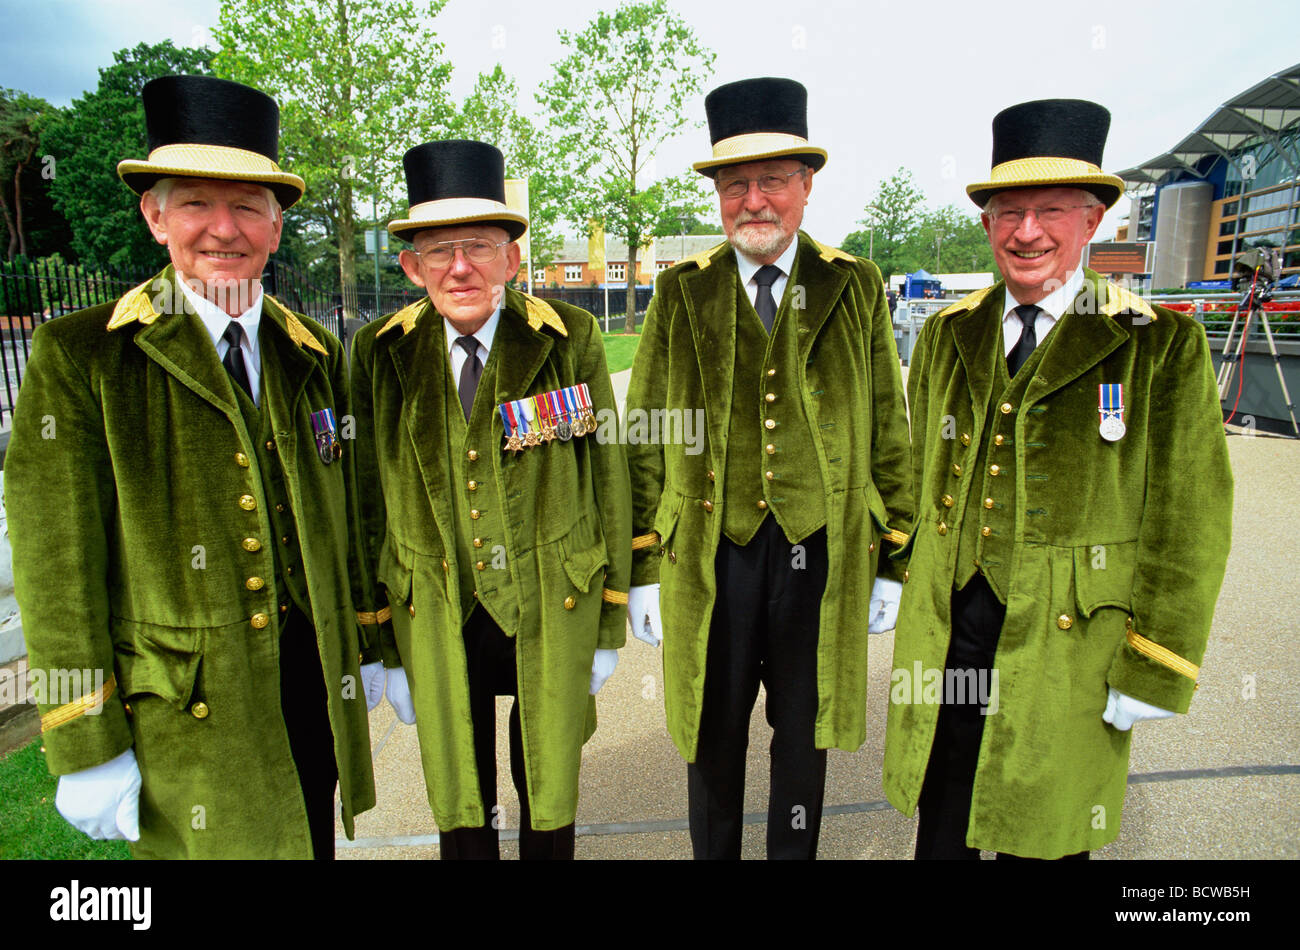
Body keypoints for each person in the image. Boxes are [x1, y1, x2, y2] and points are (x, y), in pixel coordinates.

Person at [5, 75, 381, 859]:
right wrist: (84, 742)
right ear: (154, 215)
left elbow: (345, 518)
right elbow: (55, 571)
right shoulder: (82, 357)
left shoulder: (310, 349)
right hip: (186, 707)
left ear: (277, 227)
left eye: (248, 206)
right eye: (196, 203)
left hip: (308, 686)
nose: (224, 229)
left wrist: (363, 644)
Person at [883, 99, 1233, 859]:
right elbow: (917, 472)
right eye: (1008, 212)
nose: (1027, 231)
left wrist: (1156, 661)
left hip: (1069, 636)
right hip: (952, 630)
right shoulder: (950, 333)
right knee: (943, 818)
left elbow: (1192, 519)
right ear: (986, 225)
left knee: (1047, 828)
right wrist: (896, 570)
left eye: (1051, 210)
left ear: (1094, 219)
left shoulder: (1157, 342)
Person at [624, 77, 913, 860]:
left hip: (816, 554)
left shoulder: (853, 284)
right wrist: (643, 566)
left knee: (803, 733)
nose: (754, 199)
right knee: (712, 735)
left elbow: (890, 423)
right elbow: (644, 433)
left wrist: (896, 554)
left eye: (773, 181)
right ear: (719, 194)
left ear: (806, 186)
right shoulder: (683, 291)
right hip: (711, 553)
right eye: (735, 183)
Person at [350, 140, 631, 860]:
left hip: (548, 600)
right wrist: (378, 638)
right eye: (438, 250)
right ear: (411, 266)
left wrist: (611, 618)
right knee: (460, 795)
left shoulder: (570, 340)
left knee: (547, 786)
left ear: (512, 257)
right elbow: (364, 500)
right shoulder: (379, 353)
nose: (460, 267)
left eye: (479, 245)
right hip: (437, 608)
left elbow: (607, 477)